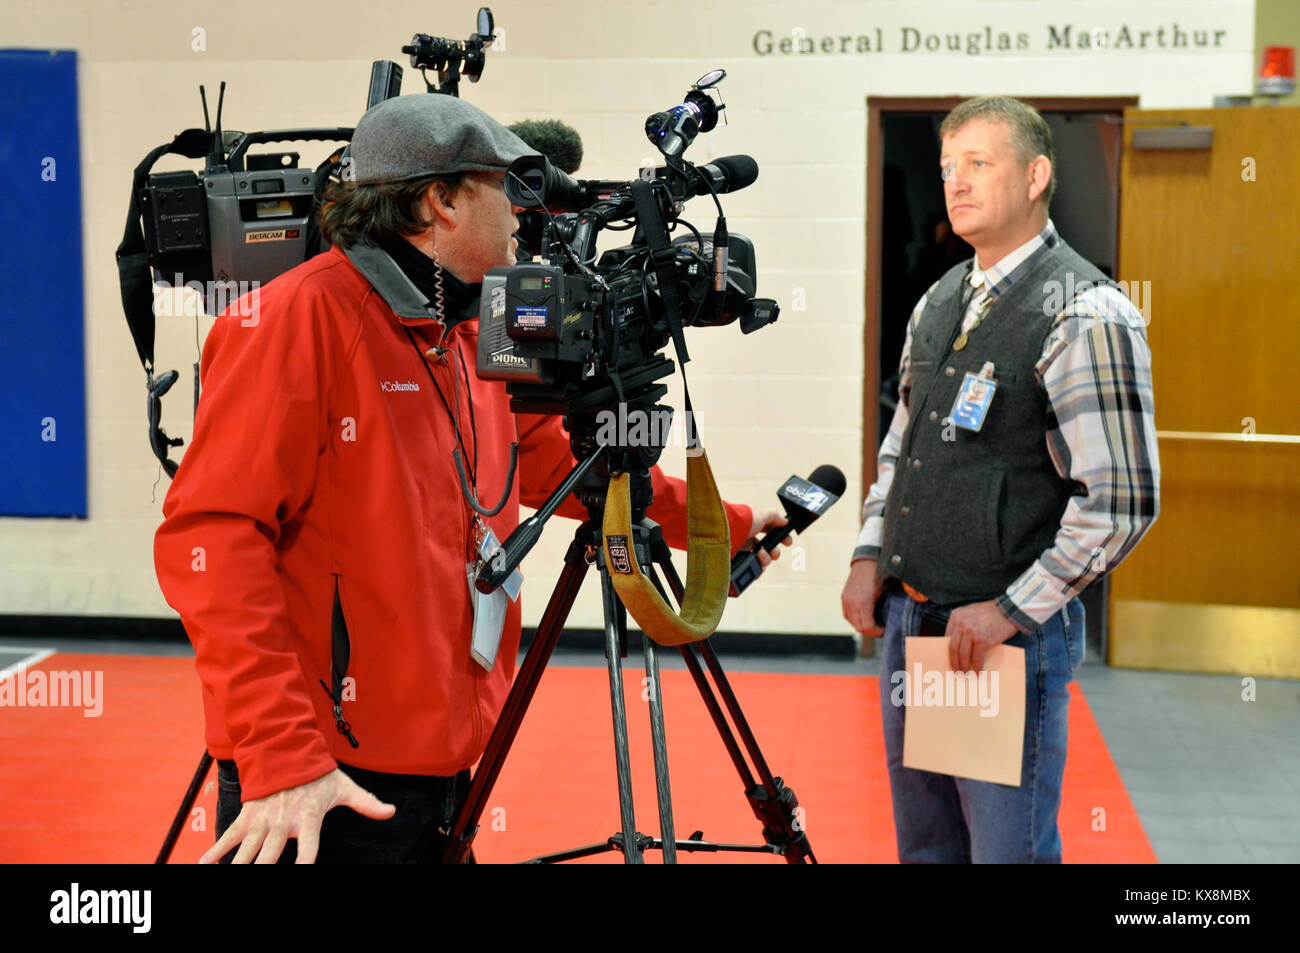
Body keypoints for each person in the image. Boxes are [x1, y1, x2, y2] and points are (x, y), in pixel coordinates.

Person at [154, 93, 786, 864]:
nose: (527, 215)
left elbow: (558, 458)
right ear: (441, 201)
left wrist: (730, 523)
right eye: (507, 189)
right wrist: (281, 755)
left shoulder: (476, 324)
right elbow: (210, 542)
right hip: (325, 780)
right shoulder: (297, 319)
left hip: (450, 762)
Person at [841, 96, 1159, 863]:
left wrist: (1009, 610)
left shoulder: (1086, 312)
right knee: (929, 847)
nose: (956, 183)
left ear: (1037, 175)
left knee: (1003, 852)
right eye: (949, 166)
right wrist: (869, 552)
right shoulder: (942, 297)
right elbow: (902, 446)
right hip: (916, 624)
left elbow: (1121, 503)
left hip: (1000, 640)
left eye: (979, 164)